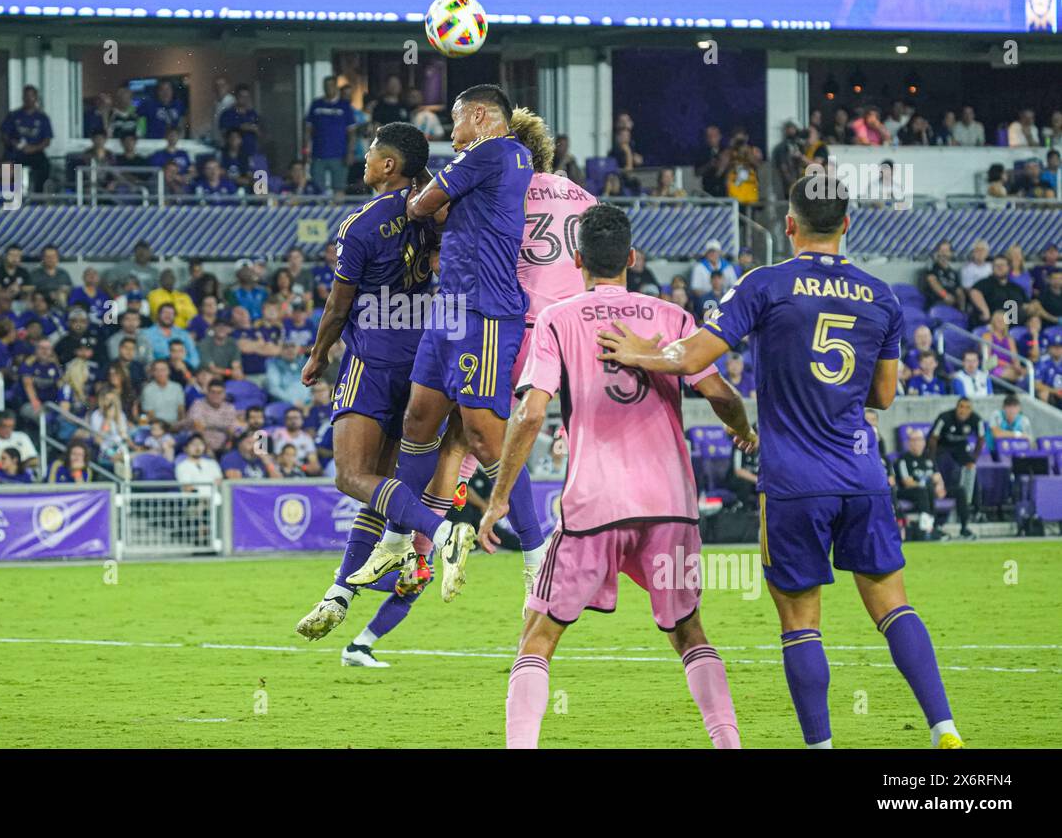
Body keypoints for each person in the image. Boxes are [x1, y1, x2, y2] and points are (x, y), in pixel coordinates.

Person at [597, 172, 963, 749]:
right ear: (847, 224)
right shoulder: (882, 295)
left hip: (794, 480)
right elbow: (885, 397)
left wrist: (640, 352)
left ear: (788, 225)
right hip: (862, 475)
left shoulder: (766, 284)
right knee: (894, 606)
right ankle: (946, 728)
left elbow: (694, 354)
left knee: (801, 622)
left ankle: (820, 746)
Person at [483, 203, 751, 749]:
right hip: (671, 504)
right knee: (689, 631)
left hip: (594, 503)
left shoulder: (557, 319)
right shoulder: (672, 317)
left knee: (539, 635)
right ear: (632, 258)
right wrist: (743, 430)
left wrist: (499, 498)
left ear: (577, 259)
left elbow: (531, 412)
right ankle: (728, 744)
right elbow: (721, 394)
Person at [345, 86, 546, 606]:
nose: (449, 132)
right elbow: (435, 211)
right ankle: (394, 542)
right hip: (450, 310)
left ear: (479, 116)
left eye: (455, 119)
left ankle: (537, 557)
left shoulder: (491, 151)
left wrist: (427, 198)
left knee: (483, 436)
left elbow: (418, 207)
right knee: (418, 419)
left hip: (485, 311)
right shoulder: (494, 160)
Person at [295, 122, 439, 650]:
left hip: (372, 362)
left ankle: (441, 534)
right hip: (422, 364)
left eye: (371, 154)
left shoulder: (359, 224)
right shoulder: (437, 210)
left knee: (351, 476)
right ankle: (339, 592)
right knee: (381, 488)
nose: (363, 160)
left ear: (387, 166)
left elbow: (338, 304)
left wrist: (316, 357)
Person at [927, 397, 982, 541]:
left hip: (959, 449)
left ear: (971, 410)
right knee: (945, 464)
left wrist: (973, 459)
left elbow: (981, 438)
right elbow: (933, 438)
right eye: (961, 407)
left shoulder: (976, 420)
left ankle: (977, 509)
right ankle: (939, 519)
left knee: (971, 471)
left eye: (967, 407)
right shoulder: (944, 418)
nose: (963, 410)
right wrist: (932, 463)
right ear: (957, 407)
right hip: (942, 448)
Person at [895, 429, 944, 541]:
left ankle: (963, 528)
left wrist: (940, 486)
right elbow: (907, 483)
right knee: (923, 490)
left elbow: (938, 477)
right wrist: (928, 481)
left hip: (929, 491)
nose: (917, 443)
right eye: (913, 440)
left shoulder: (929, 458)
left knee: (959, 491)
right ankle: (926, 527)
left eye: (919, 440)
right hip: (906, 492)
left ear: (924, 442)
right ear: (908, 443)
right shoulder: (903, 460)